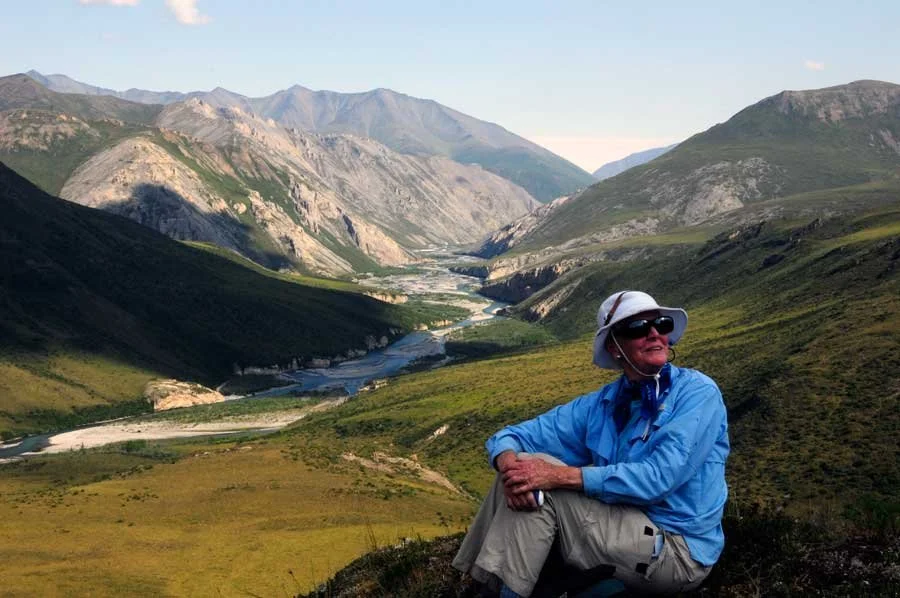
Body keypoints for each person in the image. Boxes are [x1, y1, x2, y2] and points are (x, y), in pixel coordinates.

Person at [452, 290, 730, 597]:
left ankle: (495, 590)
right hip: (620, 527)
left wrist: (557, 476)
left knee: (542, 485)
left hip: (675, 550)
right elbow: (510, 437)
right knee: (519, 470)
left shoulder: (697, 393)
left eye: (661, 324)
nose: (654, 334)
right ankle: (485, 585)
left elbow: (659, 478)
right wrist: (508, 463)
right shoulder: (604, 404)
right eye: (637, 328)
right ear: (614, 347)